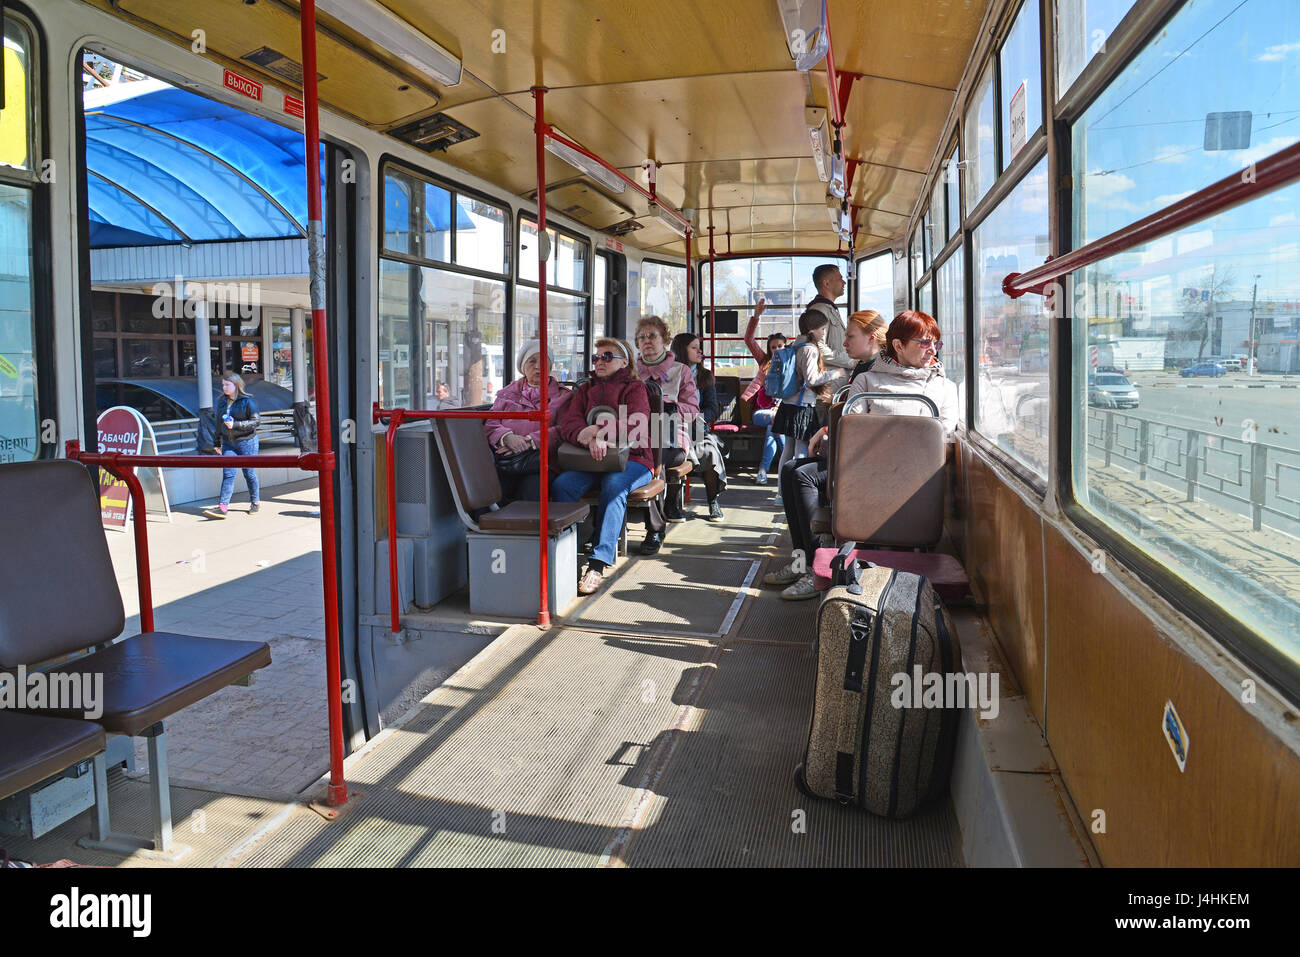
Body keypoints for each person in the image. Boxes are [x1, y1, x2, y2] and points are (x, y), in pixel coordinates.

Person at [764, 311, 887, 600]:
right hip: (847, 451)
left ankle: (816, 570)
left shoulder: (875, 372)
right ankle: (800, 561)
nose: (843, 342)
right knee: (790, 469)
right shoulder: (862, 368)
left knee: (802, 475)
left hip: (864, 462)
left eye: (849, 336)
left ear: (871, 338)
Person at [551, 338, 654, 596]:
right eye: (596, 358)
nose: (599, 362)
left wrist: (600, 431)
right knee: (562, 485)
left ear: (624, 361)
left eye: (607, 357)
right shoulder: (585, 390)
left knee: (615, 486)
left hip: (634, 459)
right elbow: (569, 423)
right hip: (591, 459)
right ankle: (569, 550)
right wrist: (585, 437)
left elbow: (636, 423)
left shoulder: (635, 389)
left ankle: (597, 563)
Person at [483, 340, 572, 504]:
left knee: (530, 492)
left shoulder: (563, 396)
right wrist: (507, 437)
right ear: (522, 366)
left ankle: (529, 529)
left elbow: (564, 429)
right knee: (489, 492)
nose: (538, 366)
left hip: (543, 462)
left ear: (551, 366)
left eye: (544, 361)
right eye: (532, 361)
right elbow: (491, 422)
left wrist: (530, 441)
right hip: (507, 461)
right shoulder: (507, 394)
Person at [854, 310, 959, 440]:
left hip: (926, 459)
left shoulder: (946, 387)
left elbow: (945, 442)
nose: (933, 350)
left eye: (936, 344)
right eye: (925, 343)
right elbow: (854, 436)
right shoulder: (865, 382)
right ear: (898, 346)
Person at [634, 315, 698, 528]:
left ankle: (655, 527)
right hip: (635, 437)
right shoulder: (630, 373)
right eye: (642, 337)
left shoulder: (681, 371)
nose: (647, 341)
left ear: (665, 340)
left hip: (673, 440)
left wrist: (673, 407)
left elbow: (693, 411)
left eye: (653, 335)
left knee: (653, 459)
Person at [772, 307, 845, 471]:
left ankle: (782, 492)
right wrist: (835, 373)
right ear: (812, 330)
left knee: (787, 450)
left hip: (788, 403)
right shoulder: (810, 349)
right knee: (801, 450)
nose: (824, 333)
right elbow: (812, 380)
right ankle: (795, 491)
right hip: (802, 406)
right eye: (822, 329)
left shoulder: (795, 345)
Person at [671, 332, 728, 521]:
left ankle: (713, 501)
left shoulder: (704, 376)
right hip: (671, 428)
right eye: (694, 347)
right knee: (674, 454)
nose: (699, 351)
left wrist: (695, 418)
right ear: (681, 350)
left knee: (710, 451)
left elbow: (712, 407)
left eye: (699, 347)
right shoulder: (669, 373)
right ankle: (671, 504)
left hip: (697, 428)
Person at [203, 373, 261, 519]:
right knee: (228, 474)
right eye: (223, 385)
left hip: (247, 441)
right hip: (229, 443)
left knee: (249, 473)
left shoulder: (247, 401)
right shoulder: (222, 401)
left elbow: (256, 421)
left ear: (236, 385)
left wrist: (236, 425)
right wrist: (217, 442)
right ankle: (223, 507)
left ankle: (255, 502)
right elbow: (218, 423)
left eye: (227, 385)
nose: (224, 387)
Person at [741, 297, 786, 484]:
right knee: (776, 423)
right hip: (761, 412)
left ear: (786, 347)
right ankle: (787, 468)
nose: (776, 350)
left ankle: (762, 470)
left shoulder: (791, 367)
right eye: (773, 347)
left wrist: (779, 409)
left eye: (780, 347)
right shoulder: (764, 362)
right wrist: (756, 315)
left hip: (781, 414)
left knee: (774, 428)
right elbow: (749, 340)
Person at [807, 263, 855, 372]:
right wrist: (851, 362)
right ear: (826, 283)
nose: (844, 282)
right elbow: (818, 347)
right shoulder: (819, 310)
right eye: (840, 278)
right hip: (830, 379)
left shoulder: (829, 308)